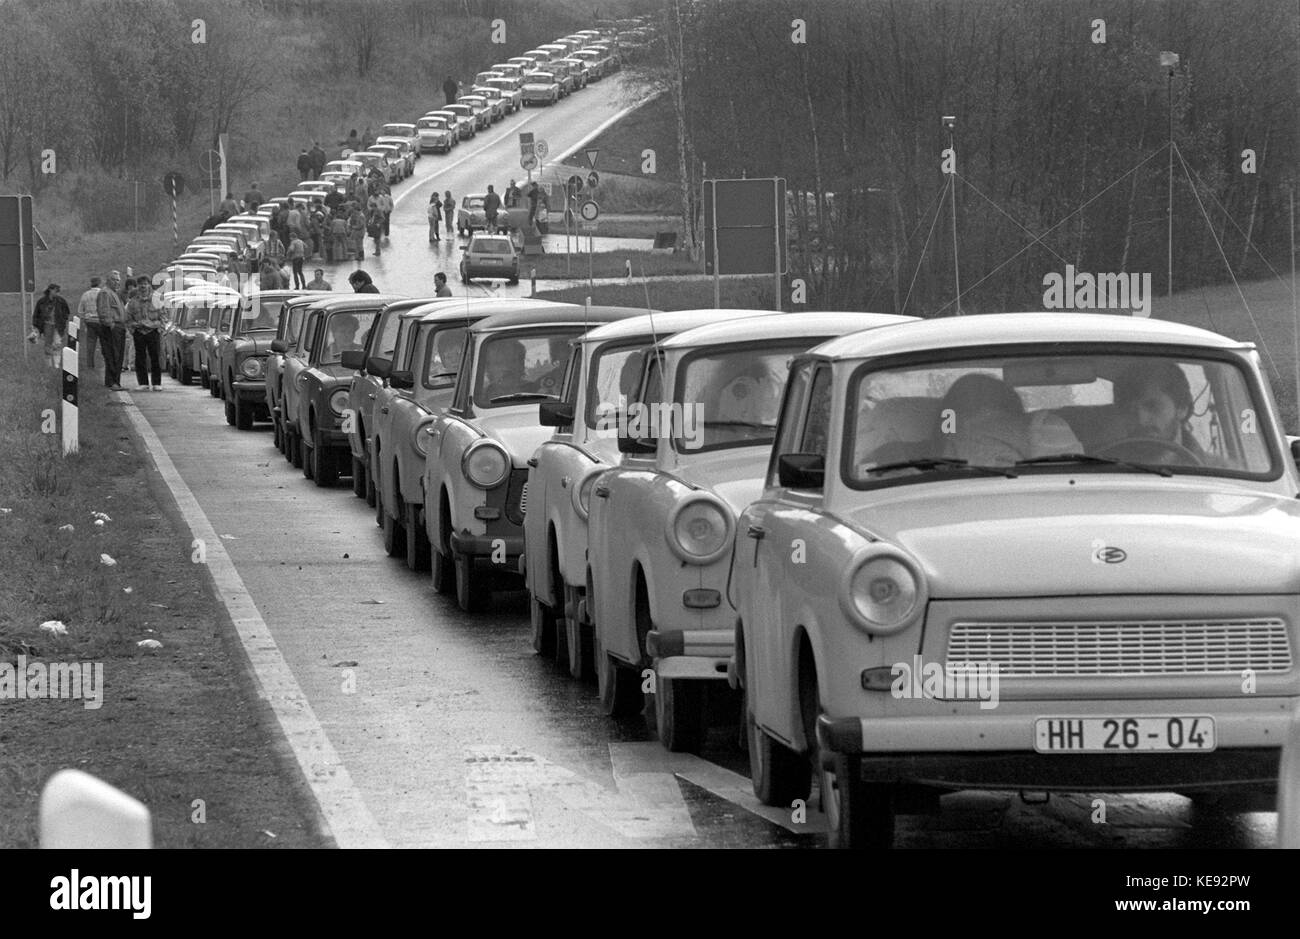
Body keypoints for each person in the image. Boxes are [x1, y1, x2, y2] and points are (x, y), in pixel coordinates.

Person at [1109, 361, 1210, 462]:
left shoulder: (1217, 472)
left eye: (1153, 407)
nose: (1141, 420)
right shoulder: (1099, 470)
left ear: (1182, 408)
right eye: (1130, 410)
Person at [126, 277, 166, 391]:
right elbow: (128, 318)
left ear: (149, 285)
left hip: (153, 331)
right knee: (140, 358)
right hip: (139, 332)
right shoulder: (133, 301)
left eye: (145, 284)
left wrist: (159, 328)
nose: (143, 287)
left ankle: (156, 383)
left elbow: (163, 316)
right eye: (140, 284)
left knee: (155, 357)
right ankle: (143, 382)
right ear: (137, 286)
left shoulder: (157, 300)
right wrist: (133, 329)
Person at [96, 270, 128, 390]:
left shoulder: (114, 293)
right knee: (113, 354)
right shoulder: (105, 293)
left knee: (118, 355)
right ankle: (112, 382)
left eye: (118, 280)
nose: (116, 282)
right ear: (108, 280)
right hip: (112, 328)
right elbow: (103, 310)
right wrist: (110, 324)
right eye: (114, 280)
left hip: (119, 327)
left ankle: (115, 381)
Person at [32, 284, 71, 367]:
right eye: (56, 291)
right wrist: (36, 326)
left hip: (58, 325)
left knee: (57, 343)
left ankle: (57, 364)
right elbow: (36, 314)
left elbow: (67, 312)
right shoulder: (41, 301)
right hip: (47, 325)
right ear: (50, 290)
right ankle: (48, 364)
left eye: (58, 291)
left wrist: (63, 320)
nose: (58, 293)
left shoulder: (61, 301)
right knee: (48, 344)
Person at [77, 276, 104, 368]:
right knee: (104, 343)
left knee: (90, 344)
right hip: (101, 321)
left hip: (90, 322)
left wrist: (84, 319)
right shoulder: (103, 294)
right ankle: (105, 363)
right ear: (100, 283)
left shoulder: (85, 294)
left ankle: (90, 365)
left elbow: (80, 311)